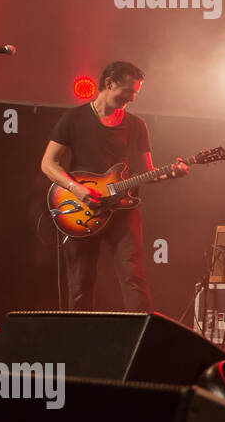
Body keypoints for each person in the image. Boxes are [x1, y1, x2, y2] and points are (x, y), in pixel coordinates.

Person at [40, 61, 187, 311]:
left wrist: (170, 173)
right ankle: (80, 346)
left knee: (134, 278)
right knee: (80, 284)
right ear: (109, 84)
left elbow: (146, 172)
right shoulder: (73, 119)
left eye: (135, 94)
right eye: (128, 91)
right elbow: (48, 163)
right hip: (82, 209)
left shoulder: (137, 125)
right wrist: (77, 189)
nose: (131, 98)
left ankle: (140, 342)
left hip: (123, 211)